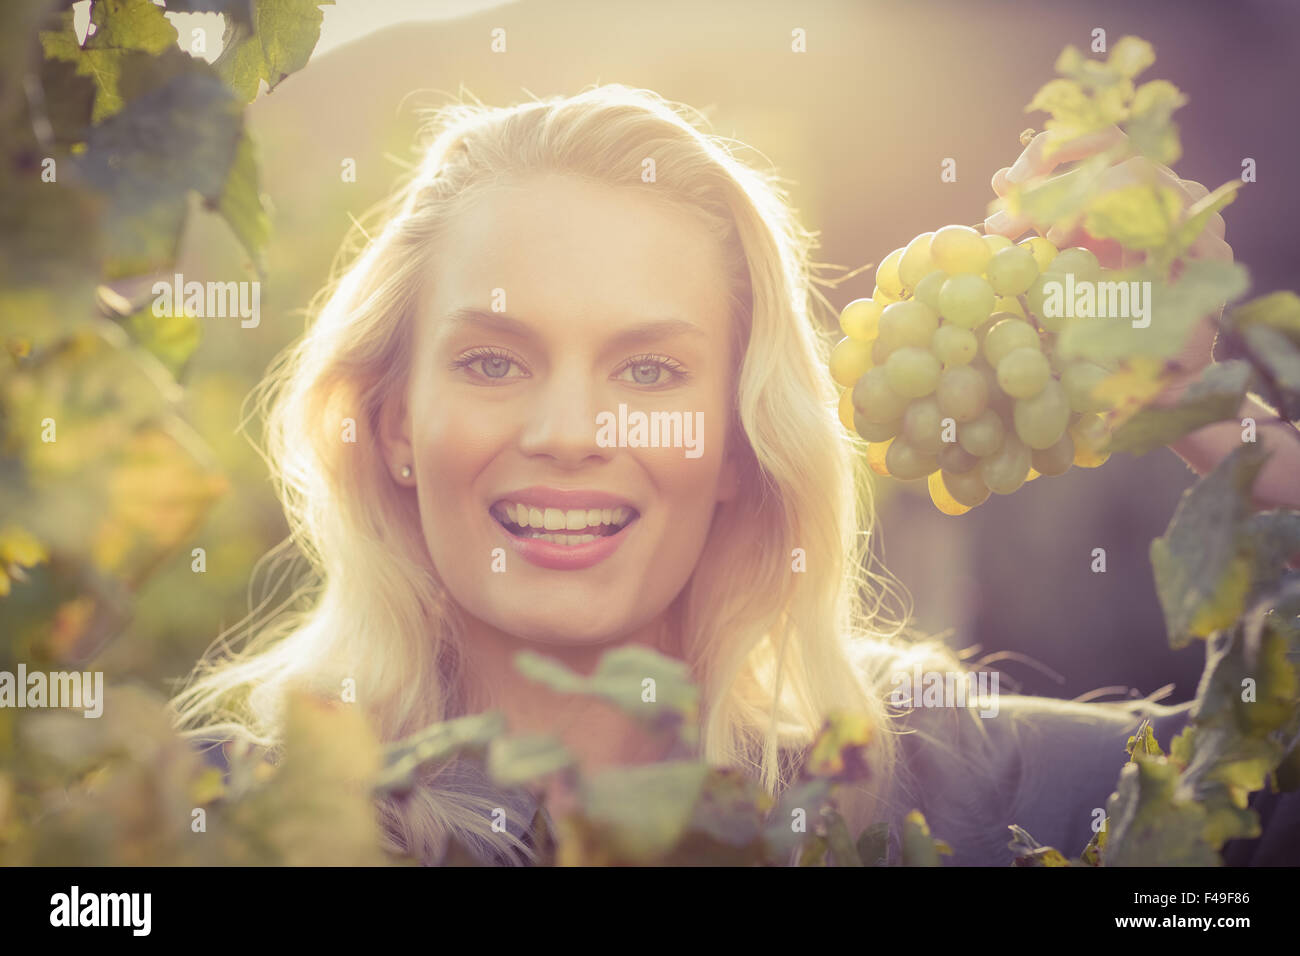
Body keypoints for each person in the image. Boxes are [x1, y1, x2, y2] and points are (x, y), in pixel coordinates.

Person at [168, 84, 1300, 866]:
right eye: (492, 360)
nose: (571, 430)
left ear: (735, 445)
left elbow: (1267, 785)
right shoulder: (212, 819)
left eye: (652, 367)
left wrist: (1198, 408)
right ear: (392, 420)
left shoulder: (947, 789)